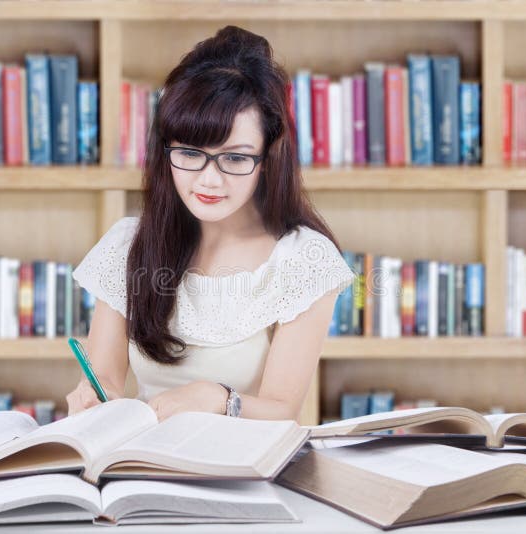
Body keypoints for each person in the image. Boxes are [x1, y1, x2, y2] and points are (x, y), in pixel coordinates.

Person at [67, 25, 355, 422]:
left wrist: (218, 399)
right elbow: (105, 380)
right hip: (143, 464)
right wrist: (92, 399)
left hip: (243, 473)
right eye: (189, 153)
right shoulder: (128, 245)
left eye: (234, 158)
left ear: (268, 157)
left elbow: (283, 410)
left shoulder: (303, 258)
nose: (209, 180)